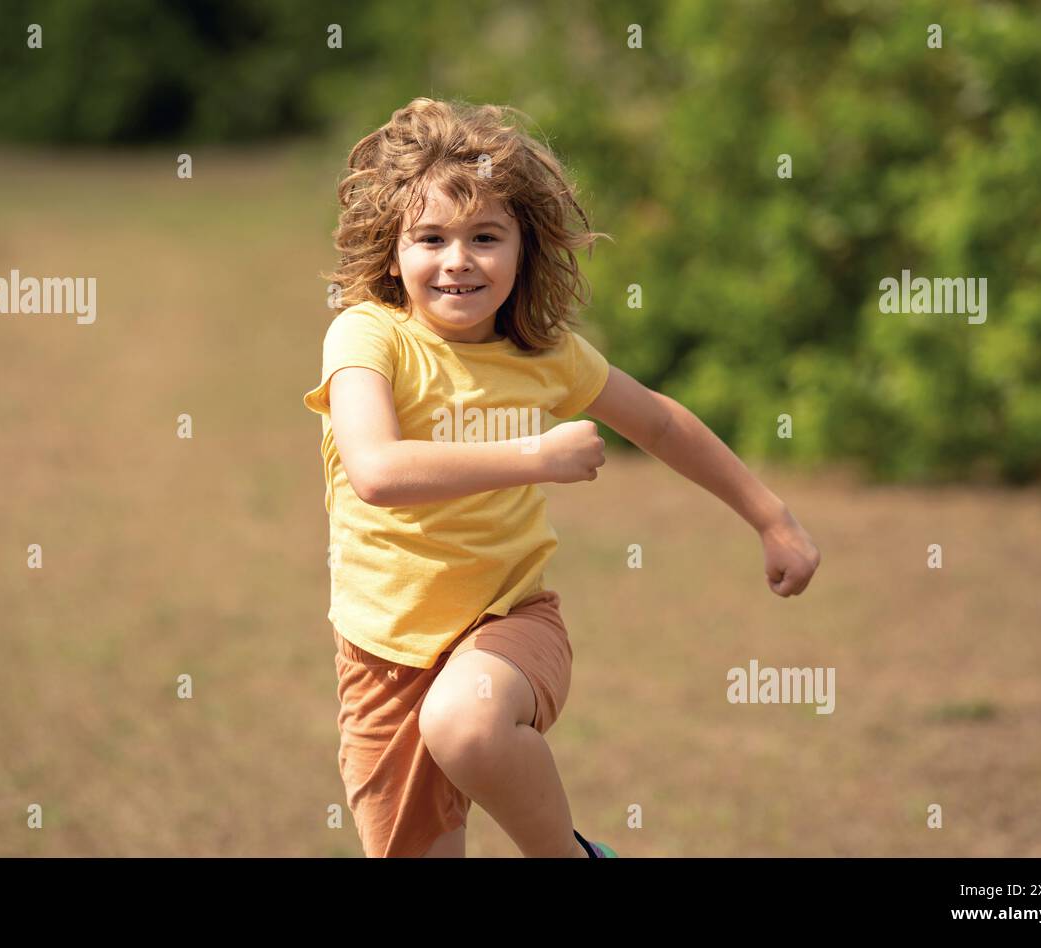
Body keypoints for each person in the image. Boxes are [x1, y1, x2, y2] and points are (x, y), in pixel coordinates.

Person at [303, 97, 821, 858]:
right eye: (431, 238)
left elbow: (660, 423)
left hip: (507, 626)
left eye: (485, 237)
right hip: (381, 658)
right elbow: (376, 470)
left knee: (465, 722)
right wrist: (534, 457)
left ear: (524, 248)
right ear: (391, 253)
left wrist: (772, 518)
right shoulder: (365, 337)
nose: (458, 260)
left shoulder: (546, 357)